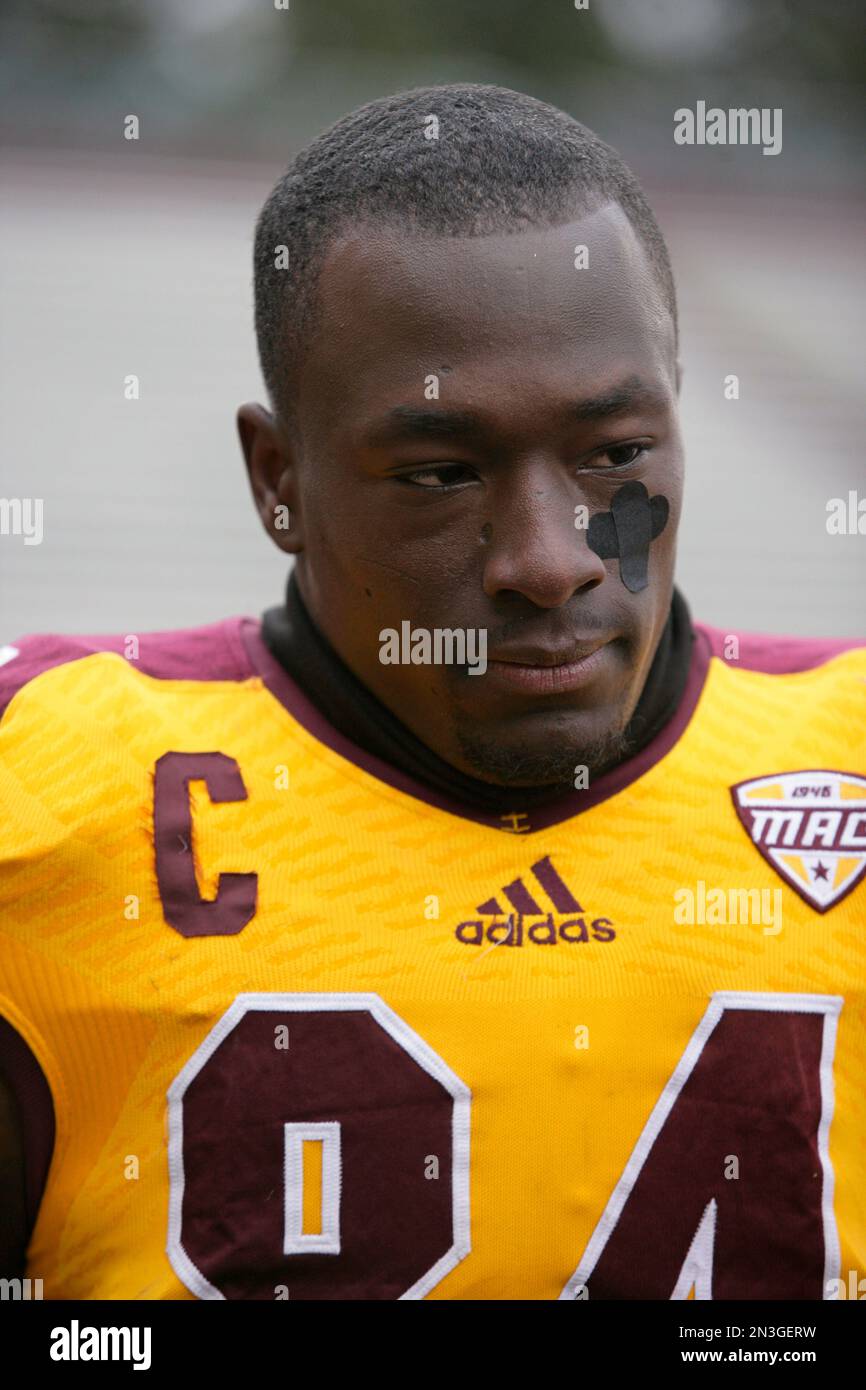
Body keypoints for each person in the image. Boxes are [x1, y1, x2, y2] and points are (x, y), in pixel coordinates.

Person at [1, 84, 863, 1301]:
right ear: (277, 478)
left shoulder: (845, 758)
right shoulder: (40, 788)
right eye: (441, 473)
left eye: (614, 454)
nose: (550, 558)